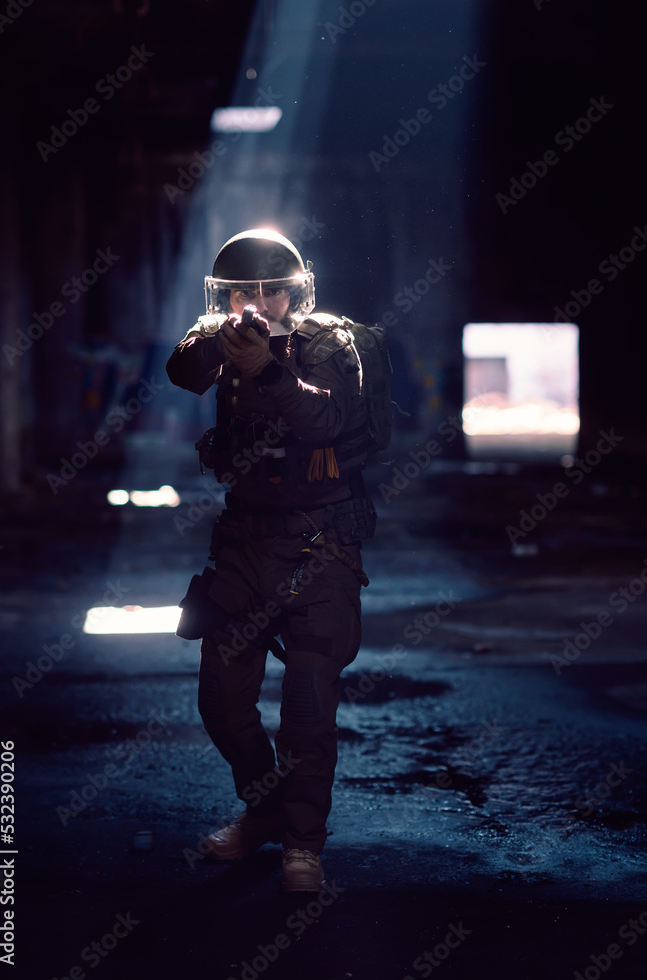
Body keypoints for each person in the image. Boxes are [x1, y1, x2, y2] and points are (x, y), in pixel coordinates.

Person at [166, 228, 376, 892]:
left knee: (308, 708)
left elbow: (329, 420)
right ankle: (264, 810)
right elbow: (181, 371)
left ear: (293, 291)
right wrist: (220, 342)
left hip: (320, 542)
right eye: (240, 295)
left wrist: (266, 370)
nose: (256, 305)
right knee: (221, 700)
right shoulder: (225, 335)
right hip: (244, 543)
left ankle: (303, 843)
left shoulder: (333, 344)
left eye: (268, 291)